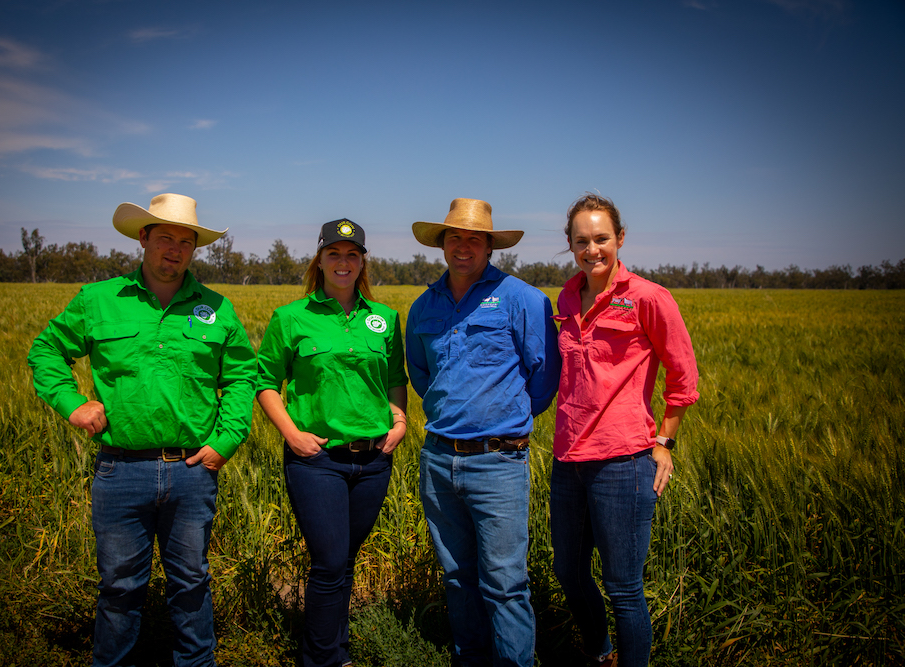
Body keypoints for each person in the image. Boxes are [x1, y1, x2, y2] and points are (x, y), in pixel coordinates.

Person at [27, 193, 258, 667]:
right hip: (120, 471)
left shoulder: (216, 308)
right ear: (143, 238)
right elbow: (46, 351)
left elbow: (240, 377)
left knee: (191, 581)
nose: (174, 249)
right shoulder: (99, 300)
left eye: (185, 241)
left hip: (193, 470)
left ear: (194, 249)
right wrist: (72, 405)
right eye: (165, 238)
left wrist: (226, 441)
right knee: (118, 584)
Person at [405, 198, 560, 667]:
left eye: (475, 238)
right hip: (438, 460)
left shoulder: (522, 299)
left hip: (498, 464)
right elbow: (420, 375)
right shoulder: (423, 306)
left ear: (491, 246)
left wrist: (503, 424)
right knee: (456, 576)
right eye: (456, 237)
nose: (464, 246)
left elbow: (544, 374)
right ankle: (469, 658)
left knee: (505, 582)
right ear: (442, 244)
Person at [550, 194, 700, 667]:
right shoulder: (568, 296)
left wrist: (666, 442)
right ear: (570, 244)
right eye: (582, 241)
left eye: (601, 238)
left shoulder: (649, 297)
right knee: (569, 573)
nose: (592, 249)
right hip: (568, 459)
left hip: (624, 462)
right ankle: (600, 652)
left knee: (623, 587)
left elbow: (683, 376)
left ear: (619, 239)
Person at [256, 218, 408, 667]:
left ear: (362, 262)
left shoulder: (384, 319)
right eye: (334, 254)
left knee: (344, 561)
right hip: (316, 461)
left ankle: (336, 652)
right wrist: (291, 434)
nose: (343, 262)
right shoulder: (291, 317)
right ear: (319, 260)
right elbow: (265, 381)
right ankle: (321, 660)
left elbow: (396, 378)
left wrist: (399, 421)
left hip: (374, 461)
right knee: (327, 564)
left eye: (352, 254)